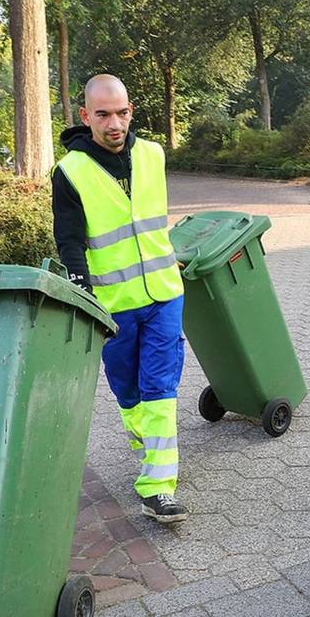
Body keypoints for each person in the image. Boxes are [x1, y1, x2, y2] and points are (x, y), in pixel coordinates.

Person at [52, 74, 188, 523]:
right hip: (114, 303)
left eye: (123, 112)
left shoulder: (153, 154)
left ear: (132, 110)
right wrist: (82, 292)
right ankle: (149, 450)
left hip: (165, 294)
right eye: (104, 114)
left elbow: (150, 223)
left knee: (159, 389)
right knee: (127, 391)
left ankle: (157, 486)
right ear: (86, 115)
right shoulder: (69, 171)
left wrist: (170, 257)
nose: (115, 123)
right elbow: (69, 242)